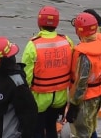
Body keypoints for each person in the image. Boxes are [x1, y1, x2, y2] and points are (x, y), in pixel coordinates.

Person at [22, 8, 72, 138]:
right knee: (51, 128)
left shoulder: (33, 44)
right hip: (60, 98)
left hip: (40, 99)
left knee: (37, 131)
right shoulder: (67, 41)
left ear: (39, 22)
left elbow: (26, 76)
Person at [66, 13, 101, 138]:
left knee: (82, 132)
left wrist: (74, 105)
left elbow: (81, 83)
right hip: (100, 94)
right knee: (91, 126)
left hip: (86, 99)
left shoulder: (84, 54)